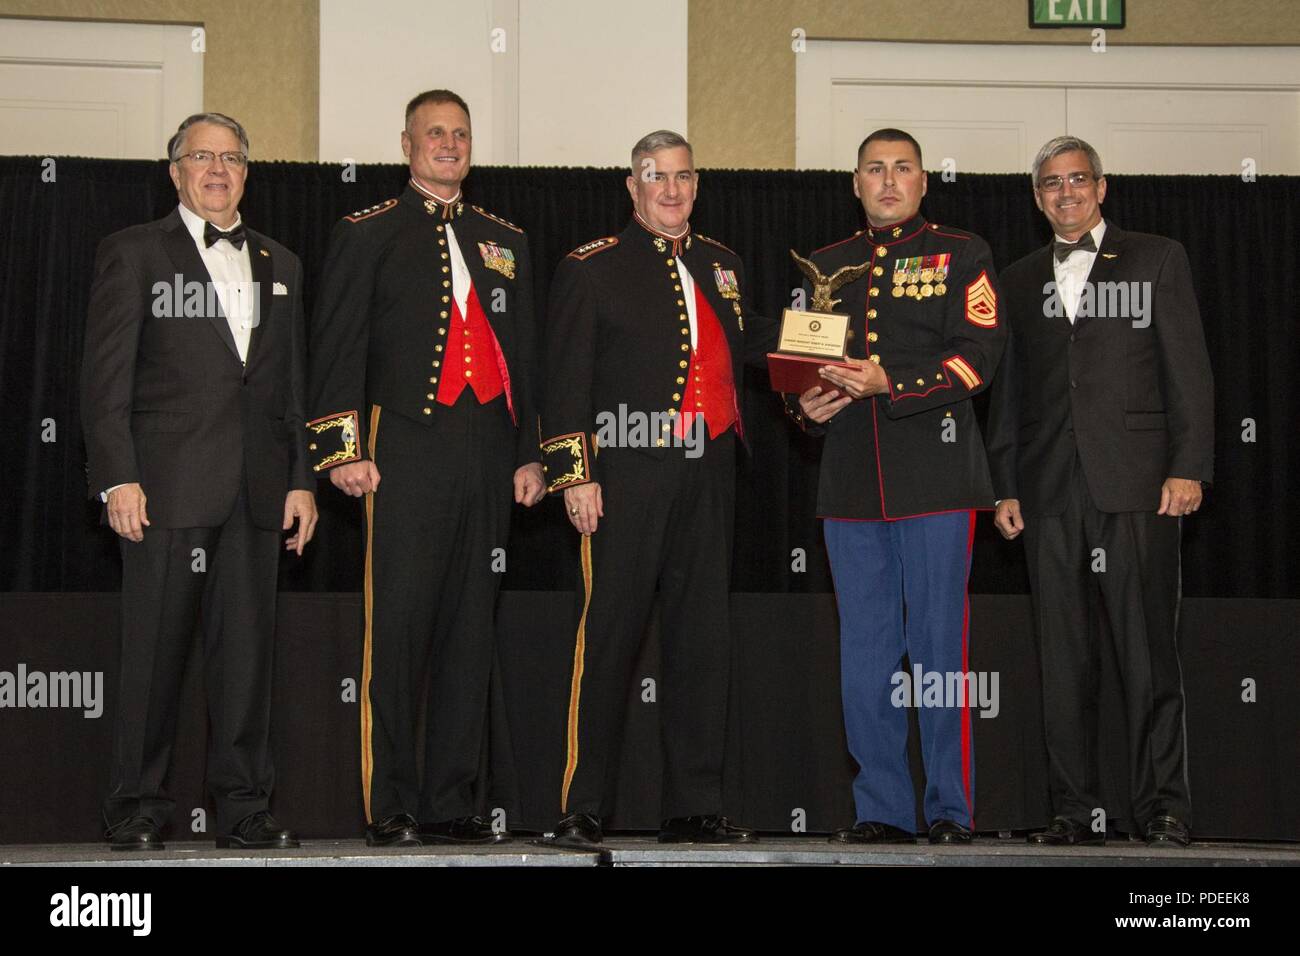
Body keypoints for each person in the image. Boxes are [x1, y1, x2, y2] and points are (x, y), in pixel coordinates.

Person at [307, 89, 545, 847]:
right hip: (404, 448)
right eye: (434, 133)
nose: (448, 143)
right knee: (400, 630)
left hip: (487, 453)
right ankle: (393, 803)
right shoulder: (367, 231)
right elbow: (337, 345)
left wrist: (532, 453)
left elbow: (528, 360)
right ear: (406, 144)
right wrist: (341, 451)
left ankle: (452, 798)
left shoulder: (504, 238)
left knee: (470, 633)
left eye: (460, 133)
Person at [82, 112, 316, 851]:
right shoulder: (133, 254)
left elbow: (292, 390)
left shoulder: (283, 262)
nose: (218, 169)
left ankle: (244, 809)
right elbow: (105, 380)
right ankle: (138, 809)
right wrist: (117, 477)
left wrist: (302, 480)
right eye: (201, 156)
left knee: (247, 660)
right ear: (175, 170)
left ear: (248, 171)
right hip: (166, 491)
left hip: (257, 492)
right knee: (152, 658)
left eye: (232, 157)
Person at [539, 130, 767, 847]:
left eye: (682, 177)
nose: (671, 190)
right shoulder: (592, 267)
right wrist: (574, 474)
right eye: (655, 176)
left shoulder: (724, 263)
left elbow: (749, 341)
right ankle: (583, 805)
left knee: (703, 642)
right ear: (631, 186)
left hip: (709, 473)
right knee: (606, 639)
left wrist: (821, 343)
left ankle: (693, 805)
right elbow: (564, 377)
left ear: (697, 185)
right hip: (627, 477)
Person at [986, 135, 1213, 848]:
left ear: (1102, 186)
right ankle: (1073, 810)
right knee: (1063, 658)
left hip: (1139, 484)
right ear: (1036, 197)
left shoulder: (1156, 257)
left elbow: (1189, 370)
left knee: (1148, 656)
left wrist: (1190, 465)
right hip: (1049, 489)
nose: (1066, 192)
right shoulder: (1019, 278)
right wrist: (1003, 484)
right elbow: (1010, 393)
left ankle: (1163, 808)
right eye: (1051, 183)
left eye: (1077, 179)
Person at [789, 128, 1006, 845]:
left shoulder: (961, 253)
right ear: (854, 183)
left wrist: (894, 382)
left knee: (939, 648)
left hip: (938, 479)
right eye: (873, 170)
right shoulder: (824, 266)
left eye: (902, 168)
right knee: (866, 654)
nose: (888, 181)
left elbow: (980, 360)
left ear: (923, 182)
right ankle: (881, 806)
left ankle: (950, 810)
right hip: (851, 484)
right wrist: (805, 409)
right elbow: (803, 374)